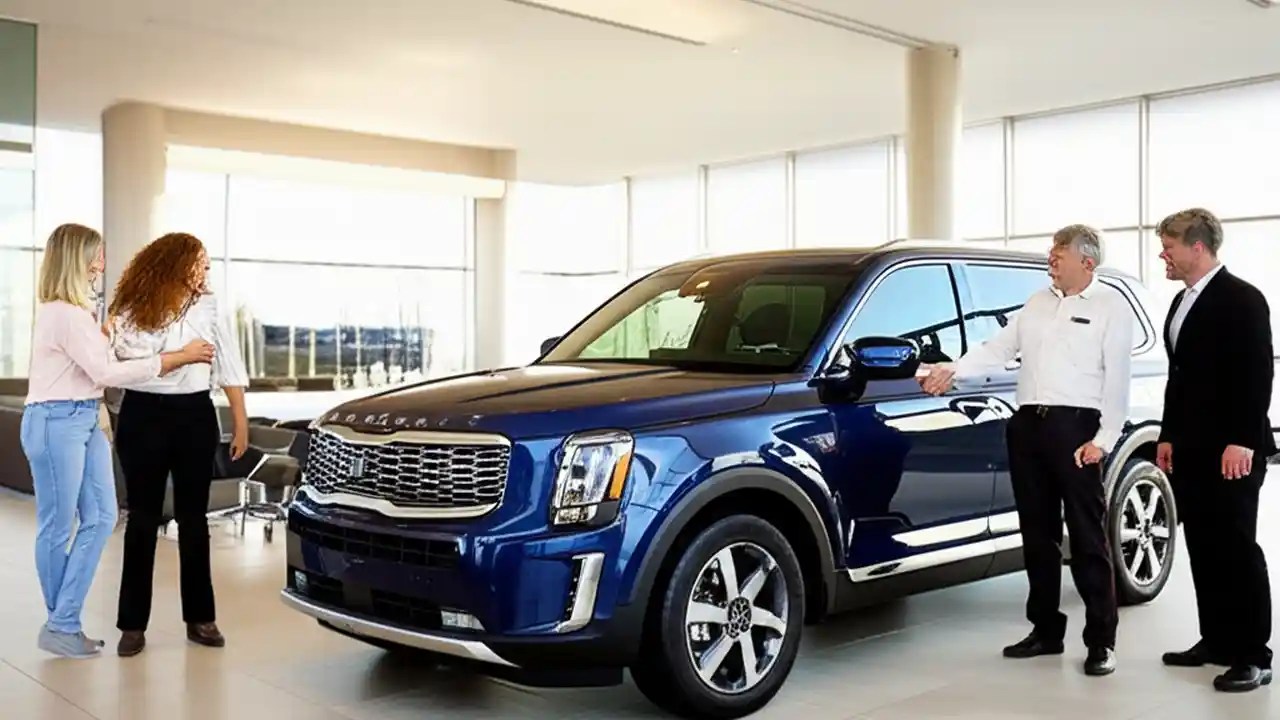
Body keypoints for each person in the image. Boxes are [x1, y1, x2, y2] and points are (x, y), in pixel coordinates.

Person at [918, 225, 1131, 677]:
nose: (1050, 259)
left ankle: (1101, 641)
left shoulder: (1110, 307)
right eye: (1051, 251)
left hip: (1077, 429)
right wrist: (952, 370)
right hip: (1028, 426)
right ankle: (1046, 630)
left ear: (1087, 262)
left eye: (1059, 253)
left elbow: (1117, 379)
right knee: (1037, 535)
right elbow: (996, 349)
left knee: (1087, 538)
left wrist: (1103, 440)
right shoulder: (1036, 303)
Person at [21, 223, 213, 658]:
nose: (103, 261)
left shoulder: (81, 312)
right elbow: (105, 372)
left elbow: (99, 361)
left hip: (85, 417)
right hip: (56, 419)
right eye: (97, 253)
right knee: (58, 526)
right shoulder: (64, 314)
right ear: (78, 259)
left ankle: (62, 622)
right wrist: (171, 359)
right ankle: (62, 624)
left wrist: (106, 335)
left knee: (103, 515)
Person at [108, 232, 251, 657]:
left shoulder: (210, 305)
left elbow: (228, 362)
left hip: (194, 415)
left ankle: (201, 618)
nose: (206, 271)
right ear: (175, 262)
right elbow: (129, 360)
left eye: (207, 264)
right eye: (199, 262)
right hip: (142, 415)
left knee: (194, 519)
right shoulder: (133, 305)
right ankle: (132, 625)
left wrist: (240, 422)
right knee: (142, 518)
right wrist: (182, 353)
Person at [1153, 208, 1275, 692]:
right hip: (1192, 448)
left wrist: (1243, 440)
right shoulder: (1181, 301)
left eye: (1169, 247)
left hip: (1233, 450)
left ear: (1197, 247)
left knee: (1237, 549)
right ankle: (1218, 640)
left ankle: (1254, 654)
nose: (1163, 255)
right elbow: (1178, 378)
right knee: (1203, 546)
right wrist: (1168, 434)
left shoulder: (1243, 298)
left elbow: (1257, 374)